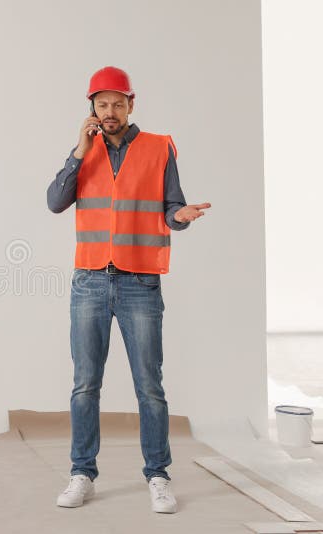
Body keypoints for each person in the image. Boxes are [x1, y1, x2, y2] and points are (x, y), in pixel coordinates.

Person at [46, 66, 211, 513]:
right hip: (90, 282)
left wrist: (180, 216)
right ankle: (82, 474)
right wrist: (79, 152)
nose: (110, 111)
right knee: (85, 385)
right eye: (102, 104)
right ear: (92, 109)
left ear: (131, 104)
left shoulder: (159, 148)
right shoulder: (85, 152)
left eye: (118, 103)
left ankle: (158, 476)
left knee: (149, 387)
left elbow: (171, 204)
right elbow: (55, 202)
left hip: (140, 281)